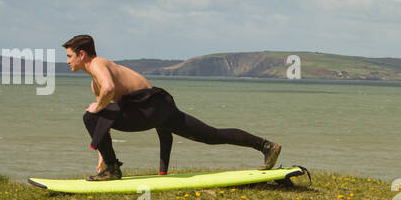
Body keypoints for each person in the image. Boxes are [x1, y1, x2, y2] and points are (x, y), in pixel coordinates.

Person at [63, 34, 282, 180]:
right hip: (159, 106)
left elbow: (109, 90)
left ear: (82, 55)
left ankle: (113, 170)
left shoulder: (98, 64)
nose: (68, 61)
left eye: (70, 56)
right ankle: (266, 146)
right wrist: (102, 157)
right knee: (210, 135)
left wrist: (95, 107)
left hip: (149, 106)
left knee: (89, 115)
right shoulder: (95, 82)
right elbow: (105, 124)